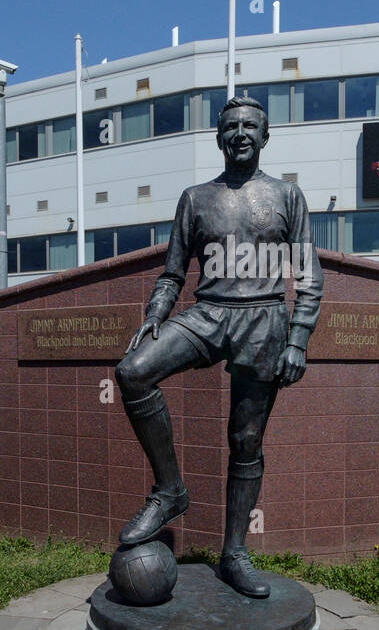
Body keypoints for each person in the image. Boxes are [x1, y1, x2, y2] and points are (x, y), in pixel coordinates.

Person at [113, 95, 323, 597]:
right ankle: (169, 490)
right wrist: (154, 316)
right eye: (231, 126)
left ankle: (234, 554)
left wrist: (297, 339)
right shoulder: (194, 198)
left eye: (251, 125)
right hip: (208, 314)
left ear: (265, 136)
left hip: (265, 320)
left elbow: (309, 277)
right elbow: (172, 275)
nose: (240, 133)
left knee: (245, 442)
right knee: (133, 372)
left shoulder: (288, 196)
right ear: (218, 136)